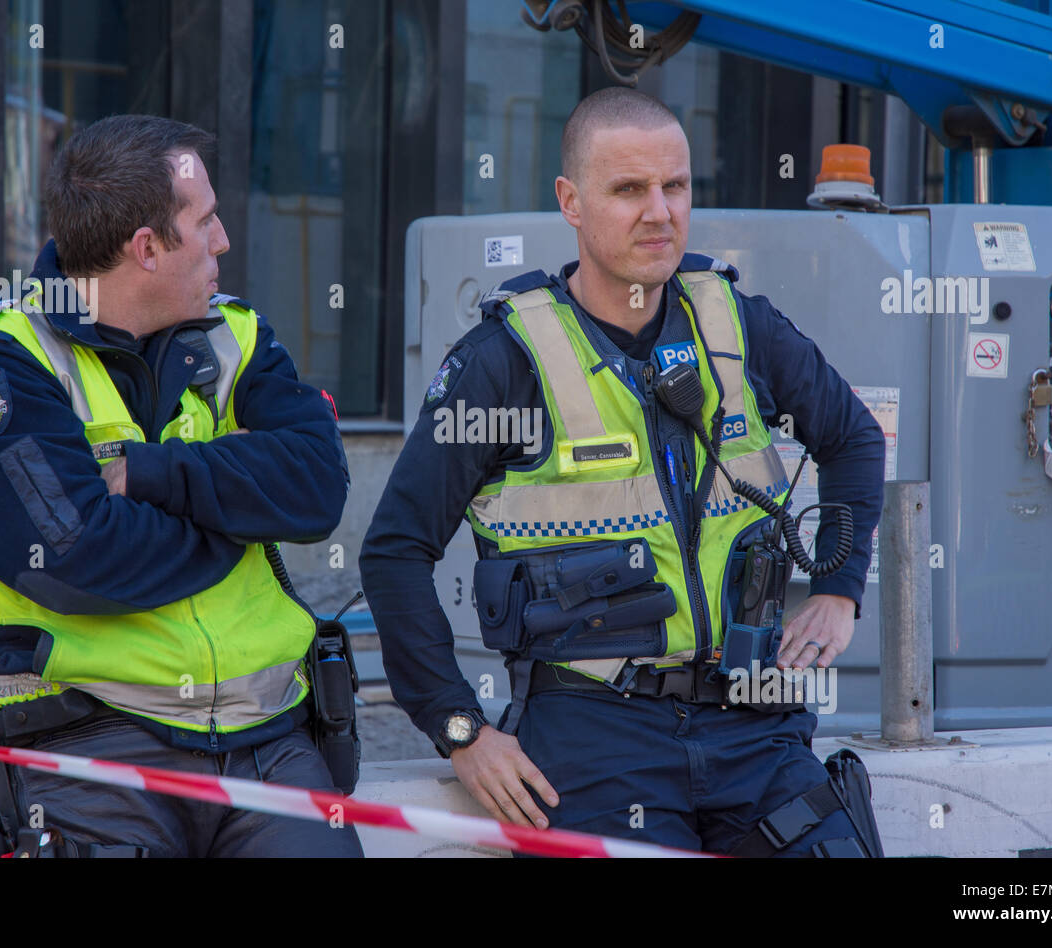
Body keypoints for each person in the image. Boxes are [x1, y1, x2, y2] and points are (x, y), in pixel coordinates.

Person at [359, 87, 886, 856]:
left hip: (755, 722)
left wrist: (839, 590)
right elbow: (395, 550)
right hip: (594, 735)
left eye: (675, 187)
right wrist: (459, 728)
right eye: (629, 189)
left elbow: (854, 441)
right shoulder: (504, 363)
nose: (660, 212)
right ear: (571, 201)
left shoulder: (738, 325)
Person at [0, 114, 361, 858]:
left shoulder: (237, 336)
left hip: (271, 740)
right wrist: (241, 517)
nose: (224, 240)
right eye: (206, 221)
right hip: (88, 745)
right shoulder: (1, 363)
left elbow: (318, 490)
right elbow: (79, 557)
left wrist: (156, 474)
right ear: (148, 248)